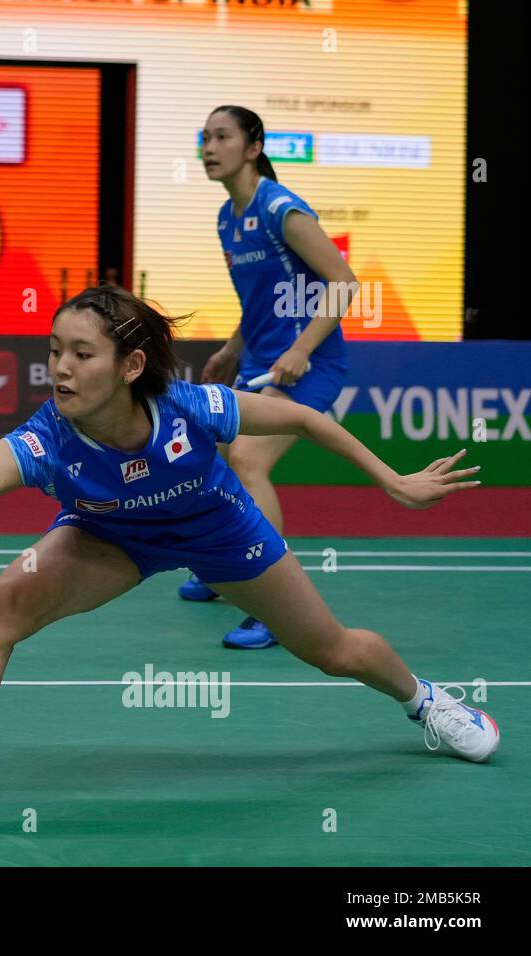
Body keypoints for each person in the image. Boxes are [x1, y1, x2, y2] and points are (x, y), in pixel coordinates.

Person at [0, 285, 497, 830]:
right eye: (55, 351)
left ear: (129, 366)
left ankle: (424, 700)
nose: (61, 368)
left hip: (218, 531)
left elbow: (297, 415)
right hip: (111, 535)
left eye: (82, 353)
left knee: (333, 651)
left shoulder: (190, 409)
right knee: (3, 603)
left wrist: (392, 480)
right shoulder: (48, 437)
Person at [194, 105, 358, 648]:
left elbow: (343, 282)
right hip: (262, 367)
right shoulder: (226, 217)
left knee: (246, 458)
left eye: (222, 137)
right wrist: (231, 350)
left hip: (311, 368)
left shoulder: (281, 210)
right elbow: (259, 302)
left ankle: (274, 604)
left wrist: (302, 349)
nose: (209, 148)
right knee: (212, 449)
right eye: (205, 138)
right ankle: (225, 563)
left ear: (254, 145)